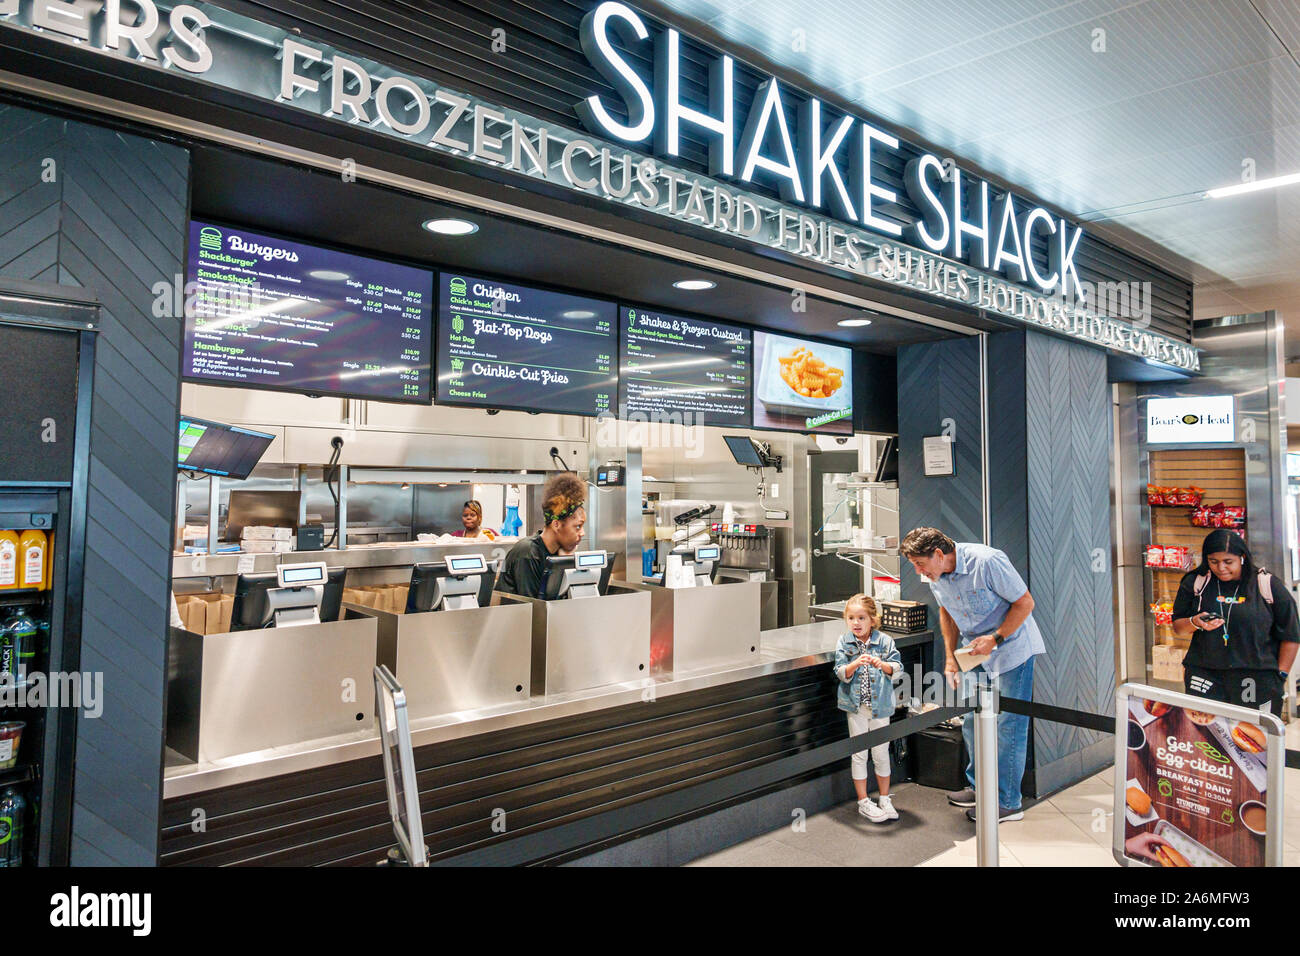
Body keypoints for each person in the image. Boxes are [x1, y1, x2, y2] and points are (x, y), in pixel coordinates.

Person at [900, 527, 1045, 823]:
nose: (918, 571)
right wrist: (951, 658)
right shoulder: (935, 574)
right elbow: (947, 613)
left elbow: (1025, 603)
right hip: (973, 653)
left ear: (939, 555)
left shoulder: (988, 561)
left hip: (1011, 648)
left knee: (1008, 725)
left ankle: (1007, 802)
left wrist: (996, 639)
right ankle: (980, 788)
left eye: (920, 564)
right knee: (971, 720)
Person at [1171, 529, 1297, 715]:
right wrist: (1195, 622)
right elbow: (1178, 628)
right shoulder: (1196, 582)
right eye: (1214, 561)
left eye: (1228, 562)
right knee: (1207, 737)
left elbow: (1291, 635)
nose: (1221, 568)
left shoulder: (1267, 585)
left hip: (1256, 677)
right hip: (1205, 674)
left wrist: (1281, 674)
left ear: (1242, 557)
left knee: (1253, 740)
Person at [832, 594, 903, 823]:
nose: (856, 623)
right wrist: (854, 664)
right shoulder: (844, 642)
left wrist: (882, 665)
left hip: (880, 706)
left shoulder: (884, 642)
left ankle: (884, 798)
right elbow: (841, 672)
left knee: (882, 753)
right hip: (856, 708)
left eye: (861, 617)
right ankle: (863, 801)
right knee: (859, 754)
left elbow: (898, 668)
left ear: (872, 619)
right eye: (851, 618)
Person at [496, 472, 587, 599]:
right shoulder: (527, 553)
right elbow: (533, 608)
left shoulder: (557, 554)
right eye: (578, 526)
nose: (582, 533)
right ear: (556, 525)